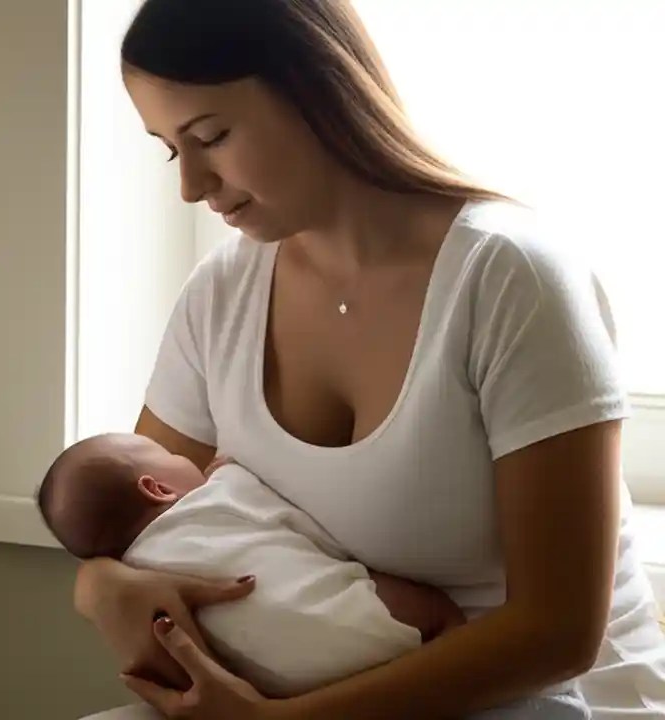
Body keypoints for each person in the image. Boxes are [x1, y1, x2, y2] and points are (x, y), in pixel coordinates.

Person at [71, 0, 665, 718]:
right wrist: (101, 587)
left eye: (212, 137)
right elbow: (139, 511)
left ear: (317, 87)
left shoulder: (510, 278)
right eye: (172, 150)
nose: (192, 187)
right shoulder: (221, 295)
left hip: (552, 700)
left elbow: (557, 635)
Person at [36, 432, 467, 698]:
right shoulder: (223, 491)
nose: (188, 459)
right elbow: (305, 525)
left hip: (276, 686)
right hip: (357, 627)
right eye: (167, 453)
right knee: (434, 611)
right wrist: (225, 472)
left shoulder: (140, 569)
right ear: (158, 488)